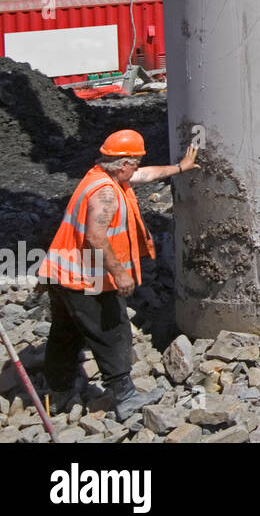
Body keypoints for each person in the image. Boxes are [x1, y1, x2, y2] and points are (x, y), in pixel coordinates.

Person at [37, 130, 199, 420]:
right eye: (135, 162)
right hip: (86, 278)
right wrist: (121, 274)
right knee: (113, 332)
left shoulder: (102, 176)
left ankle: (57, 395)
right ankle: (125, 398)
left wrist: (179, 168)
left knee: (65, 333)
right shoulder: (107, 193)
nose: (137, 167)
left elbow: (146, 175)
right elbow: (97, 237)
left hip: (60, 273)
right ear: (123, 165)